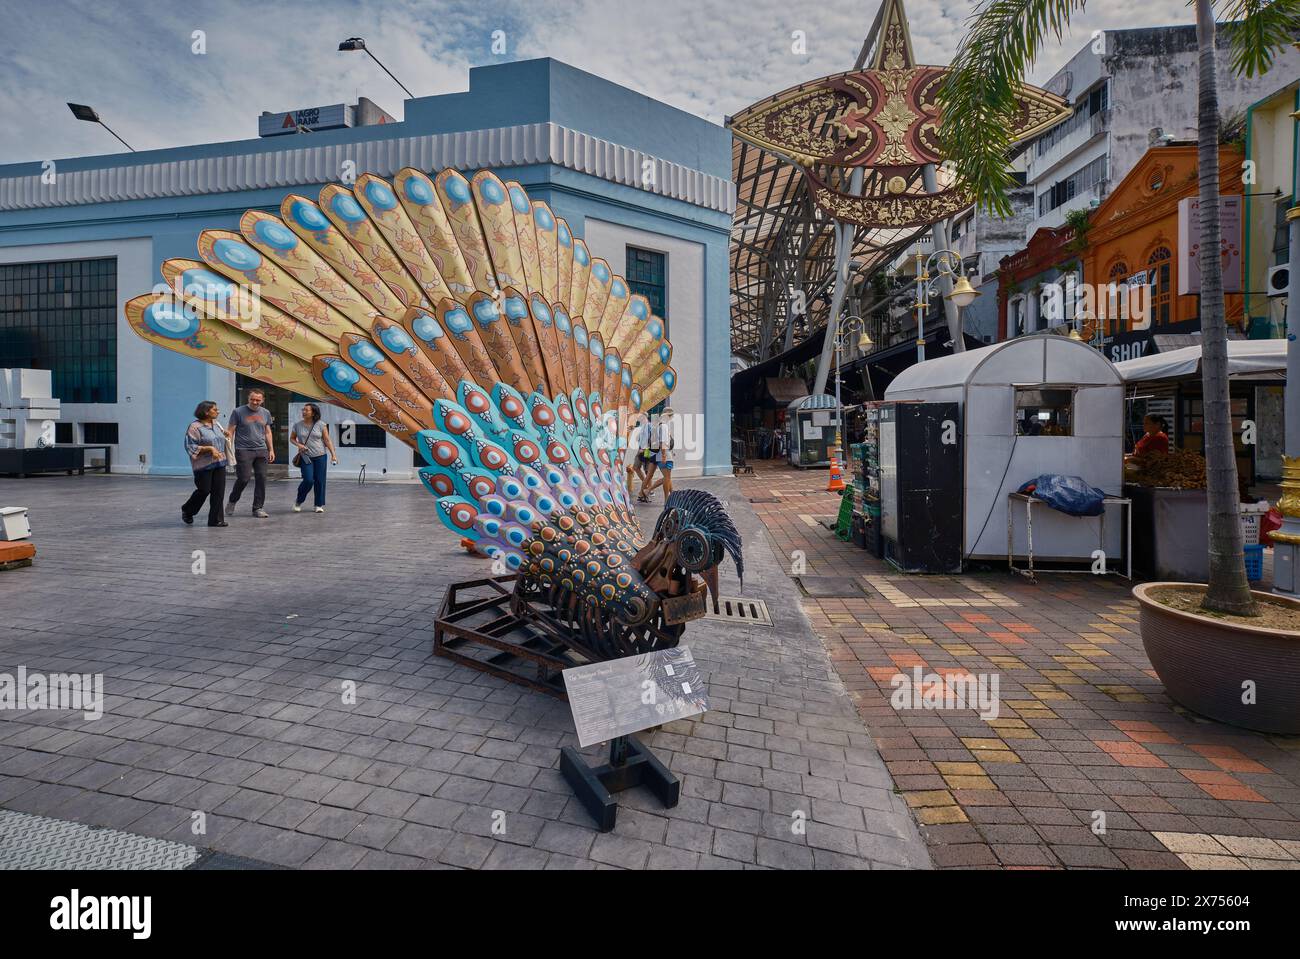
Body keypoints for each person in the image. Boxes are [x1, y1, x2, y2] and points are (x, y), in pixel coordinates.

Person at [226, 389, 275, 518]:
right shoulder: (238, 412)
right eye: (252, 399)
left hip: (261, 450)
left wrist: (271, 449)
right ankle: (232, 500)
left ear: (262, 400)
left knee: (261, 478)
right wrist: (228, 450)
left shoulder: (266, 413)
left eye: (258, 400)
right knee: (244, 478)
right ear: (248, 398)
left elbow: (268, 432)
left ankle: (258, 508)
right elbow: (230, 431)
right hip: (243, 450)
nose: (255, 402)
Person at [182, 400, 230, 527]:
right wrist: (209, 449)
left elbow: (218, 438)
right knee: (204, 490)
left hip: (220, 462)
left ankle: (215, 520)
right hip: (203, 465)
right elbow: (190, 446)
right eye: (215, 409)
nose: (218, 411)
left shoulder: (216, 423)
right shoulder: (195, 427)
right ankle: (188, 510)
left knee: (219, 492)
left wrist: (225, 434)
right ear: (206, 412)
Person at [291, 403, 338, 513]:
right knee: (308, 480)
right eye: (303, 410)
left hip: (320, 456)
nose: (303, 412)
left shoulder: (321, 425)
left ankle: (318, 504)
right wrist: (299, 445)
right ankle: (298, 501)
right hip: (305, 457)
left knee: (320, 481)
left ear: (313, 413)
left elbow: (327, 440)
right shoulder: (297, 425)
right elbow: (292, 439)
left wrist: (333, 455)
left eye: (306, 410)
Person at [641, 407, 676, 502]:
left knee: (666, 477)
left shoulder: (658, 425)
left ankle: (671, 496)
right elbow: (663, 442)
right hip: (664, 455)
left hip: (658, 454)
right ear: (669, 416)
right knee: (666, 478)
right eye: (672, 416)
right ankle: (663, 498)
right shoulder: (664, 426)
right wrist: (664, 456)